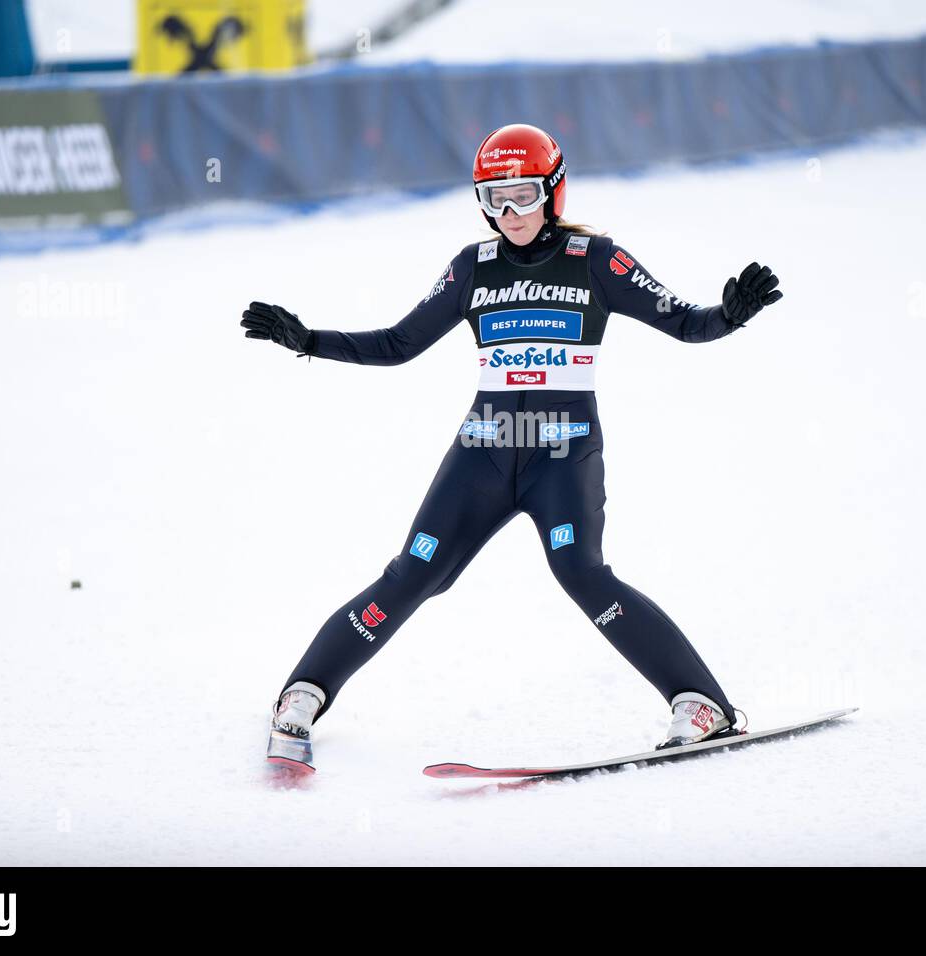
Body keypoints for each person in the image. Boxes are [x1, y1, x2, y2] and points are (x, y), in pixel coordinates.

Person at [242, 123, 783, 771]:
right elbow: (398, 344)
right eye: (492, 197)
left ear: (553, 191)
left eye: (523, 195)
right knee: (413, 574)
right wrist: (309, 340)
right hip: (486, 449)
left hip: (563, 452)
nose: (508, 213)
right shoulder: (474, 266)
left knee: (582, 573)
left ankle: (701, 704)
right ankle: (302, 695)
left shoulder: (598, 261)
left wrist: (728, 316)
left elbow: (688, 323)